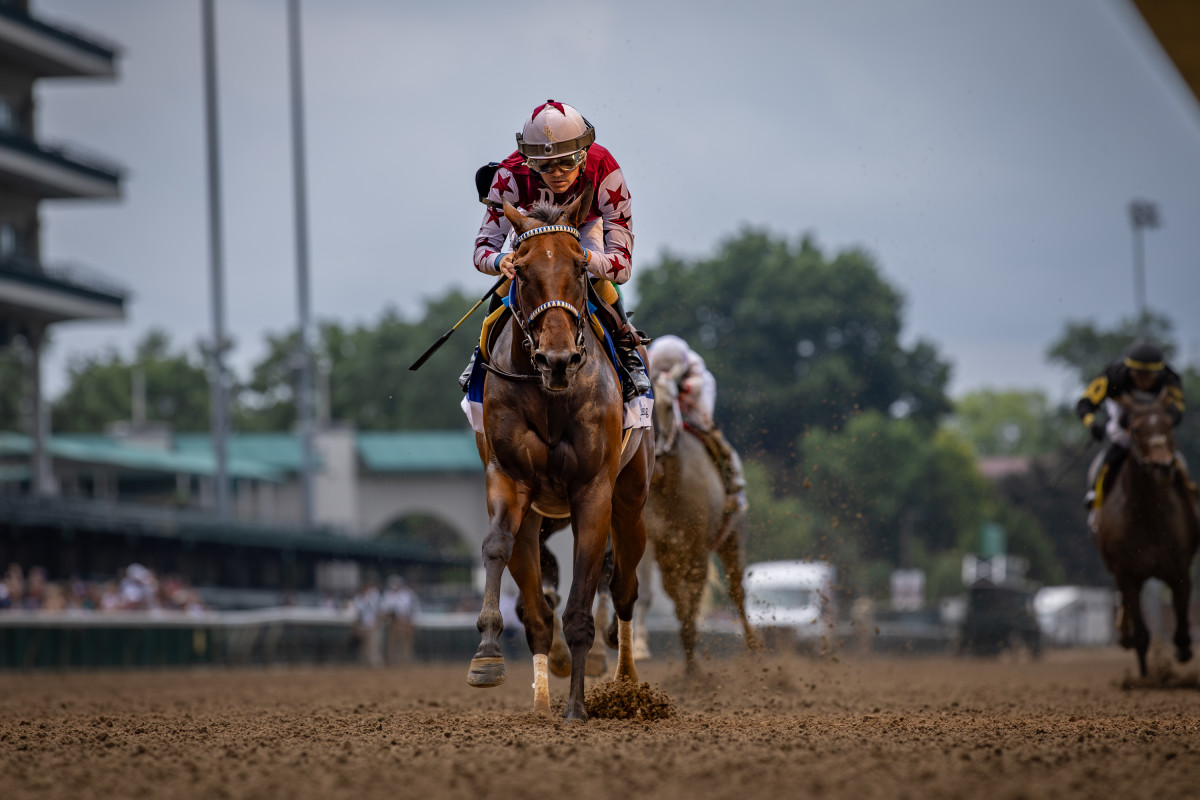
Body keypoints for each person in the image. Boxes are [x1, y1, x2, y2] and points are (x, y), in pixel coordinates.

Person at [462, 99, 650, 403]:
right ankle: (480, 356)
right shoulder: (509, 175)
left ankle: (626, 347)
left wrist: (582, 259)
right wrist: (502, 261)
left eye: (568, 161)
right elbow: (482, 249)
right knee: (516, 279)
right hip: (532, 232)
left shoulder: (606, 170)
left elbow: (622, 267)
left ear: (584, 153)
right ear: (528, 161)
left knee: (589, 276)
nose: (557, 172)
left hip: (583, 229)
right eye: (544, 165)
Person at [1076, 339, 1191, 513]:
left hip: (1156, 419)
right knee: (1116, 448)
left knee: (1178, 460)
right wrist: (1092, 424)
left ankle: (1188, 493)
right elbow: (1085, 403)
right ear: (1129, 369)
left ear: (1158, 373)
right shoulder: (1113, 376)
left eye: (1149, 374)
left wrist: (1162, 424)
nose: (1143, 379)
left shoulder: (1170, 379)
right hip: (1123, 415)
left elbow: (1178, 411)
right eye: (1138, 373)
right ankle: (1095, 494)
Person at [647, 334, 747, 513]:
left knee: (706, 428)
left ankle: (735, 482)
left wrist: (678, 386)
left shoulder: (695, 363)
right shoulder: (648, 361)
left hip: (695, 390)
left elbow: (698, 387)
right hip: (664, 389)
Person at [381, 575, 419, 665]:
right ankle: (392, 662)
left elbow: (413, 609)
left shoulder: (408, 594)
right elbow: (386, 610)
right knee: (393, 644)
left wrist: (409, 622)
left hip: (406, 623)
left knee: (406, 645)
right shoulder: (388, 595)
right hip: (394, 624)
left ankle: (406, 661)